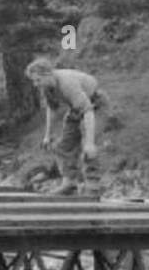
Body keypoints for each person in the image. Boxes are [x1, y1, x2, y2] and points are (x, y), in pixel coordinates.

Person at [26, 56, 107, 198]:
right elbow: (52, 109)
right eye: (33, 81)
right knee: (64, 145)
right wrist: (47, 135)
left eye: (37, 80)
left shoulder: (67, 84)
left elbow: (87, 111)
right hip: (75, 107)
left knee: (88, 147)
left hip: (95, 104)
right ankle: (69, 183)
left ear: (48, 74)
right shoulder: (46, 87)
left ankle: (93, 187)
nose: (35, 84)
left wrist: (89, 142)